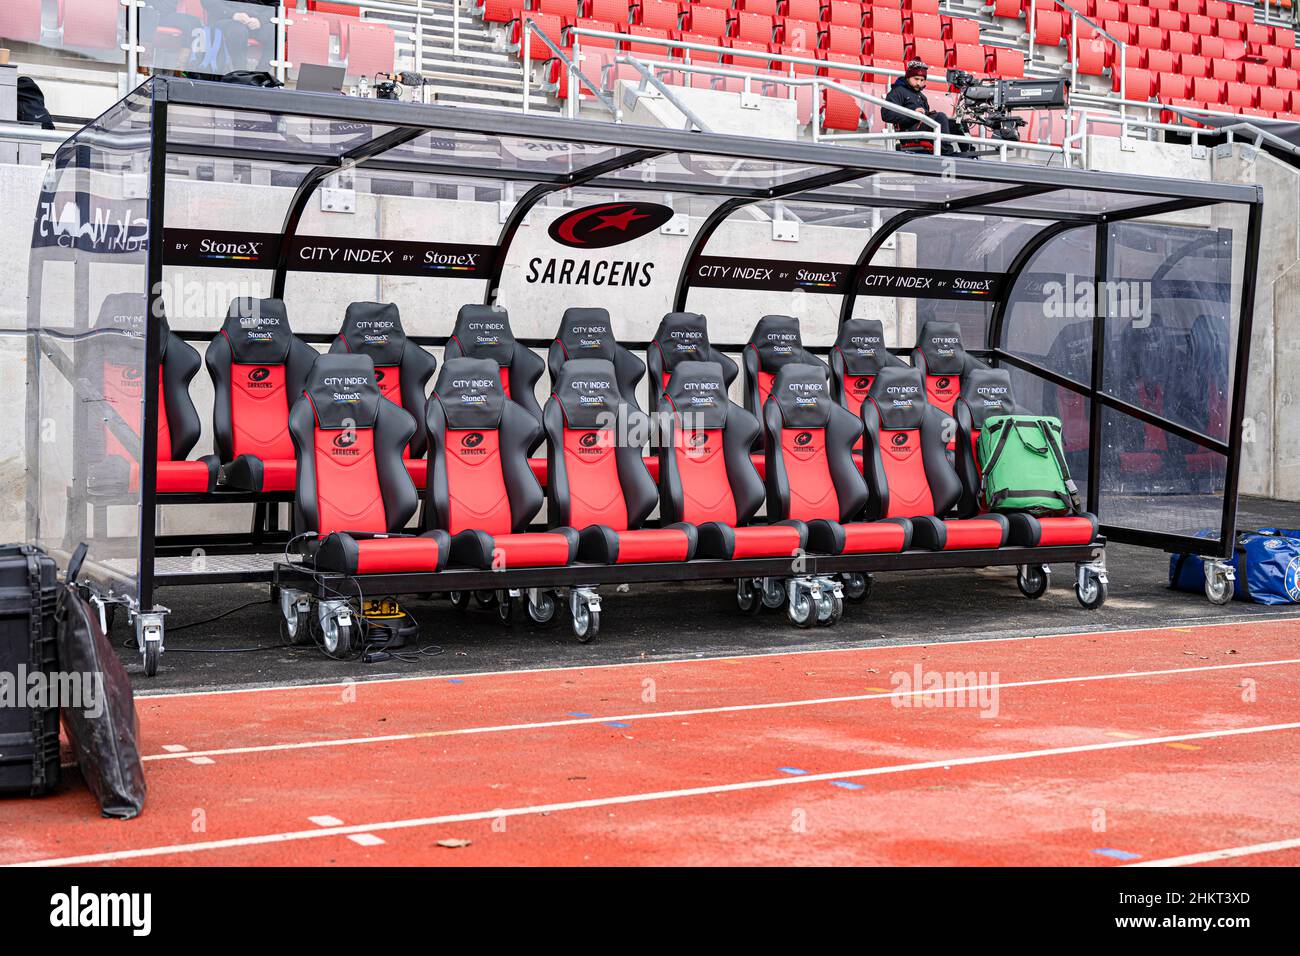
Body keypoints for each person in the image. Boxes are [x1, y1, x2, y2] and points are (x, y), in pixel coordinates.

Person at [881, 60, 972, 156]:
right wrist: (912, 114)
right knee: (940, 117)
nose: (919, 83)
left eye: (922, 80)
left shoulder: (921, 96)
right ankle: (946, 153)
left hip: (924, 128)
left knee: (958, 124)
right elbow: (886, 114)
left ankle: (969, 153)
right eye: (916, 79)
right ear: (908, 77)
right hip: (910, 133)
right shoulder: (897, 91)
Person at [202, 0, 278, 73]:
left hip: (256, 21)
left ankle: (260, 75)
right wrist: (233, 14)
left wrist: (260, 20)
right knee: (237, 30)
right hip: (226, 19)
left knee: (277, 34)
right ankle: (240, 73)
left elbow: (277, 5)